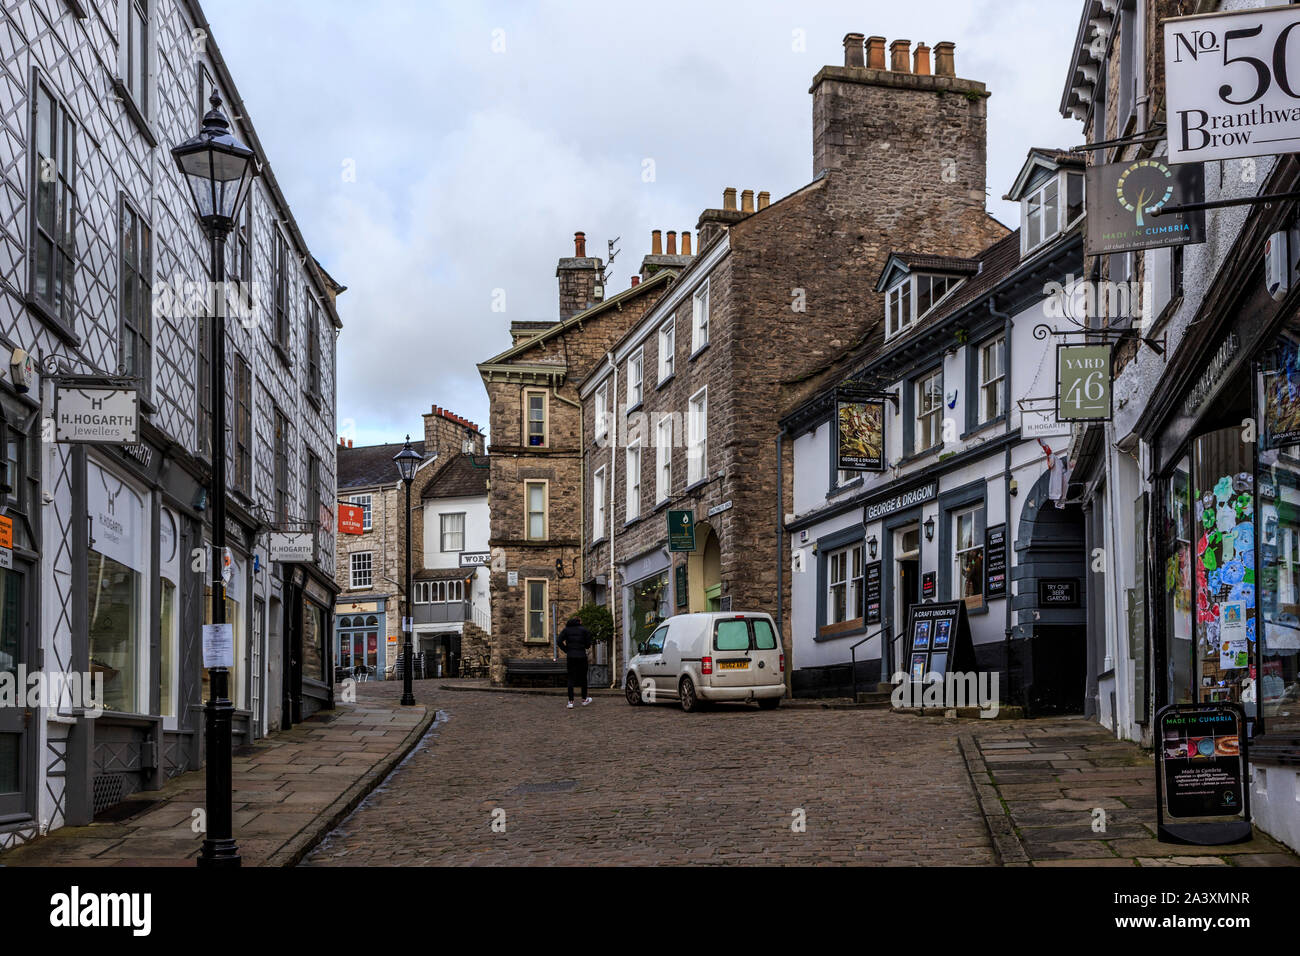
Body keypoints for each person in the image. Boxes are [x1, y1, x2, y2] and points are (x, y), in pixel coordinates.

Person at [557, 616, 593, 708]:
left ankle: (570, 701)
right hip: (581, 656)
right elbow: (588, 644)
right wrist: (584, 646)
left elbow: (559, 641)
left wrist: (566, 650)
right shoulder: (584, 630)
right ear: (579, 621)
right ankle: (584, 699)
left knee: (570, 678)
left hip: (571, 656)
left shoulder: (566, 630)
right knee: (583, 678)